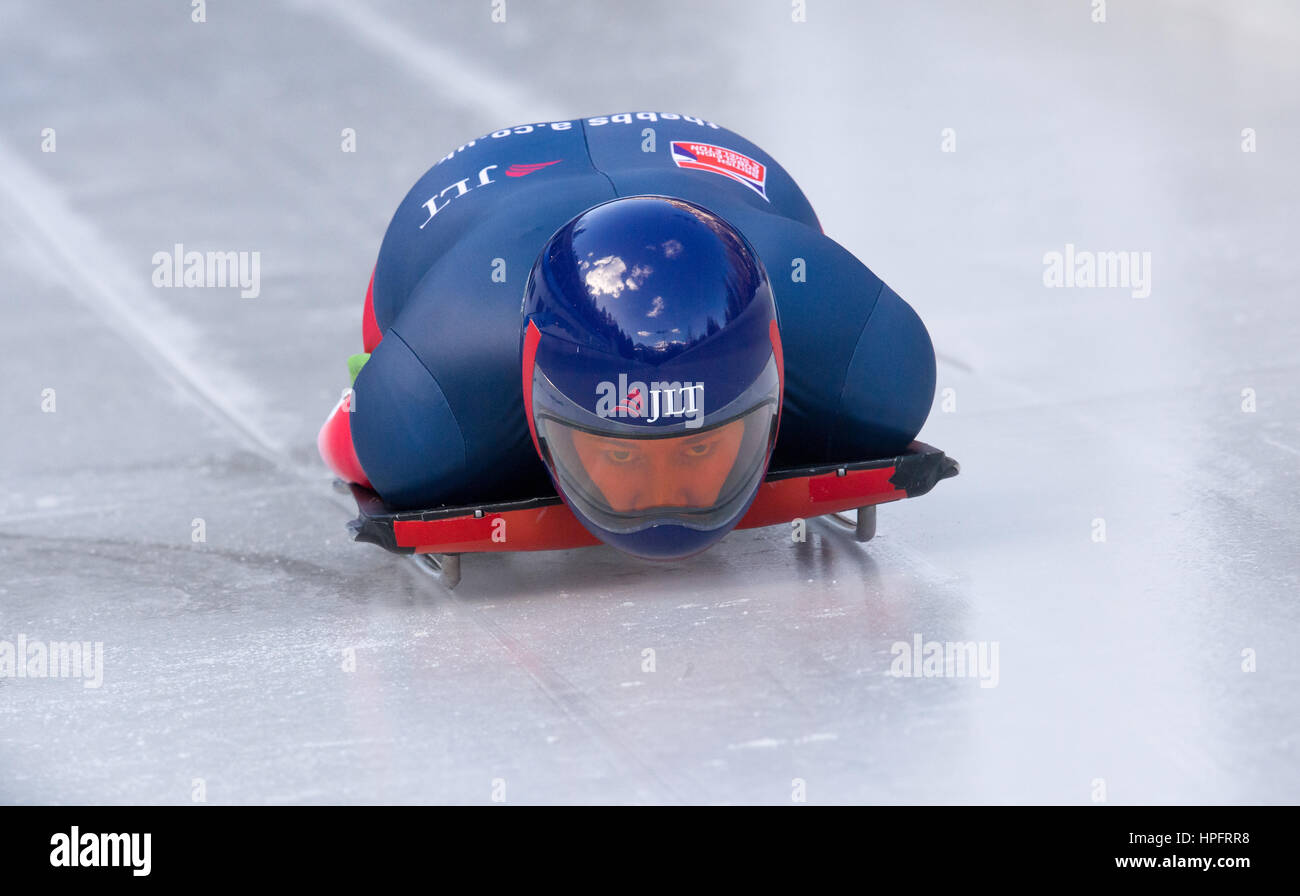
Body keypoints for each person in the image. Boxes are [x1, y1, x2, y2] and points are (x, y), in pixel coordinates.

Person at [320, 111, 936, 559]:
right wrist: (364, 407)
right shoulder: (426, 398)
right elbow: (346, 439)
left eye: (697, 448)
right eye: (620, 454)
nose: (662, 496)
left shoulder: (871, 356)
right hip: (458, 214)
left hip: (714, 169)